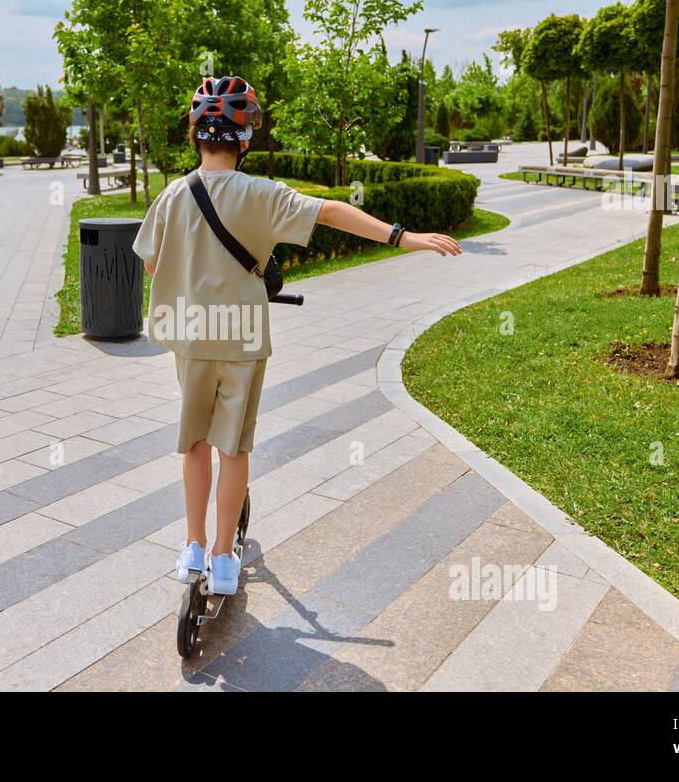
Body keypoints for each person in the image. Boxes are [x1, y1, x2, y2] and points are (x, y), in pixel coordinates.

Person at [133, 76, 462, 596]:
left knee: (193, 442)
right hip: (241, 341)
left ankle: (192, 546)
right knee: (233, 449)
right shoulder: (261, 194)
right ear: (245, 141)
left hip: (190, 338)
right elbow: (330, 211)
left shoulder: (173, 195)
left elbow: (152, 264)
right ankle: (223, 560)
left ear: (195, 136)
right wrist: (403, 237)